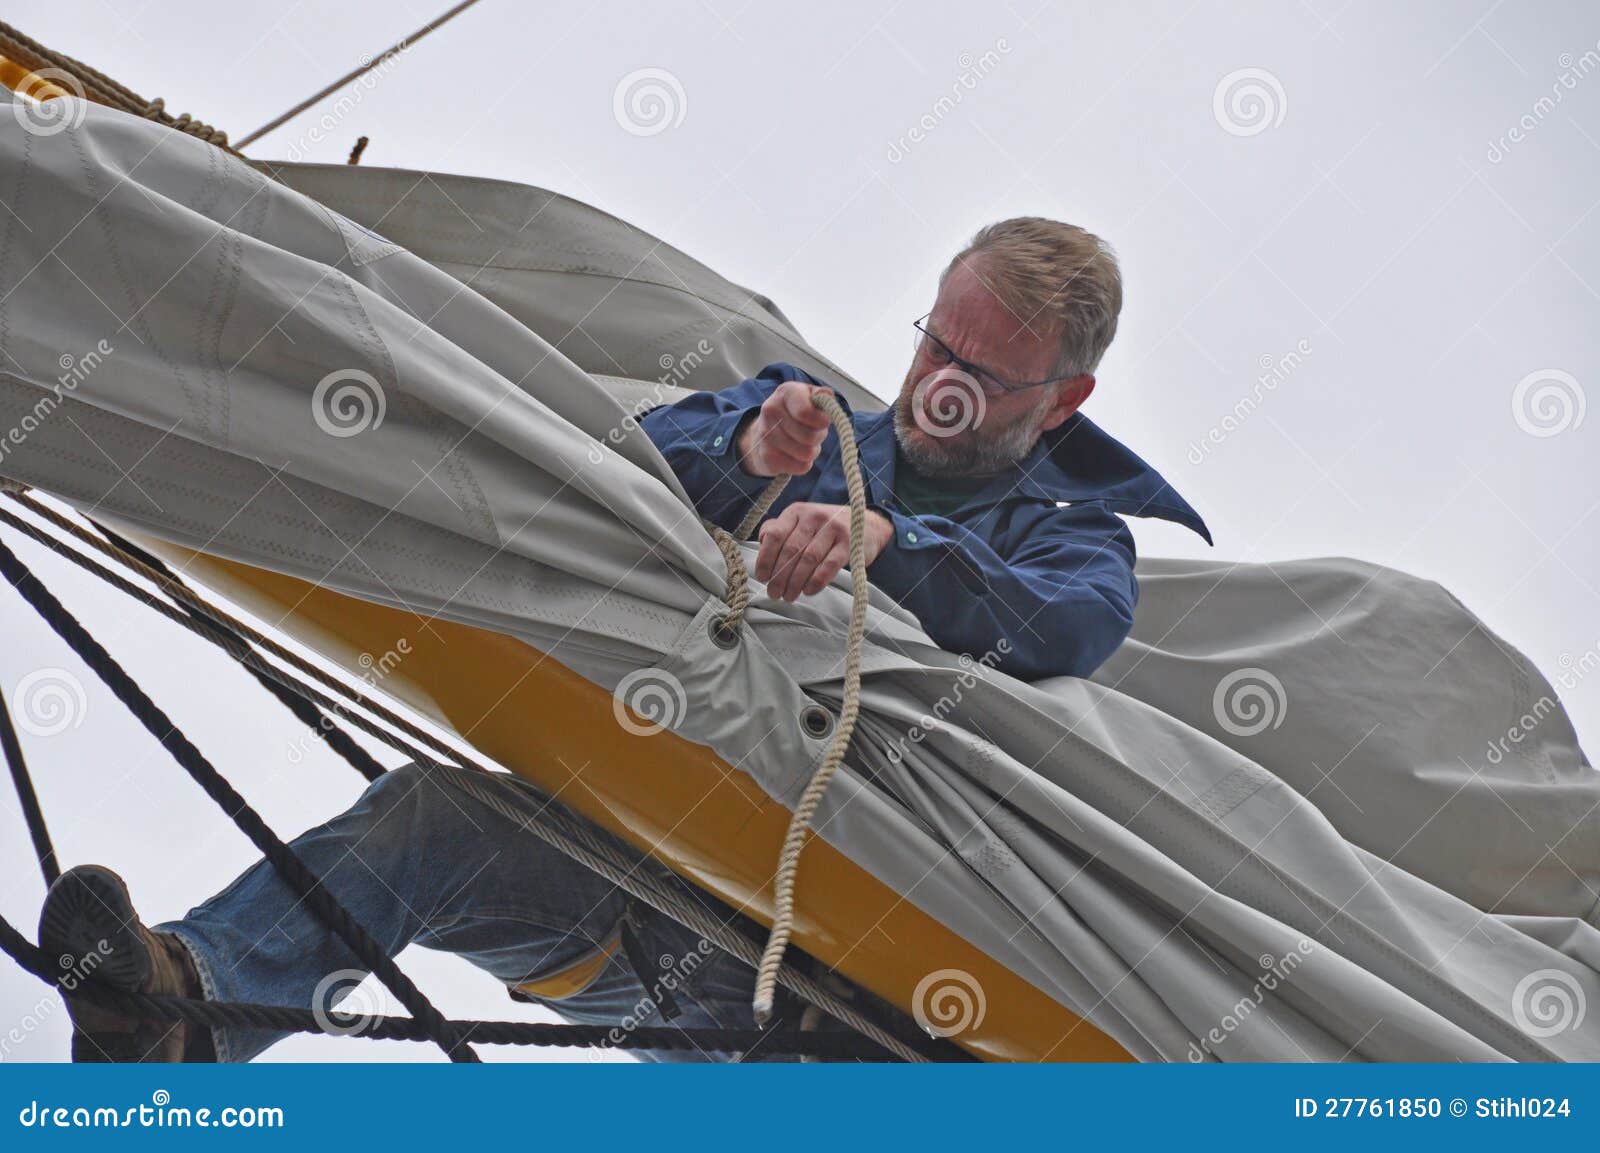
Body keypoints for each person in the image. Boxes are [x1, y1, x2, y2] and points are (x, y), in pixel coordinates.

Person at [39, 217, 1209, 1062]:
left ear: (1061, 401)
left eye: (984, 374)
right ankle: (186, 1011)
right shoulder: (802, 422)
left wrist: (883, 543)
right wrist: (750, 454)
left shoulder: (1075, 544)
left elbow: (1062, 627)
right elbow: (612, 463)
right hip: (650, 901)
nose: (937, 386)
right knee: (430, 826)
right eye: (930, 344)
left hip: (876, 1010)